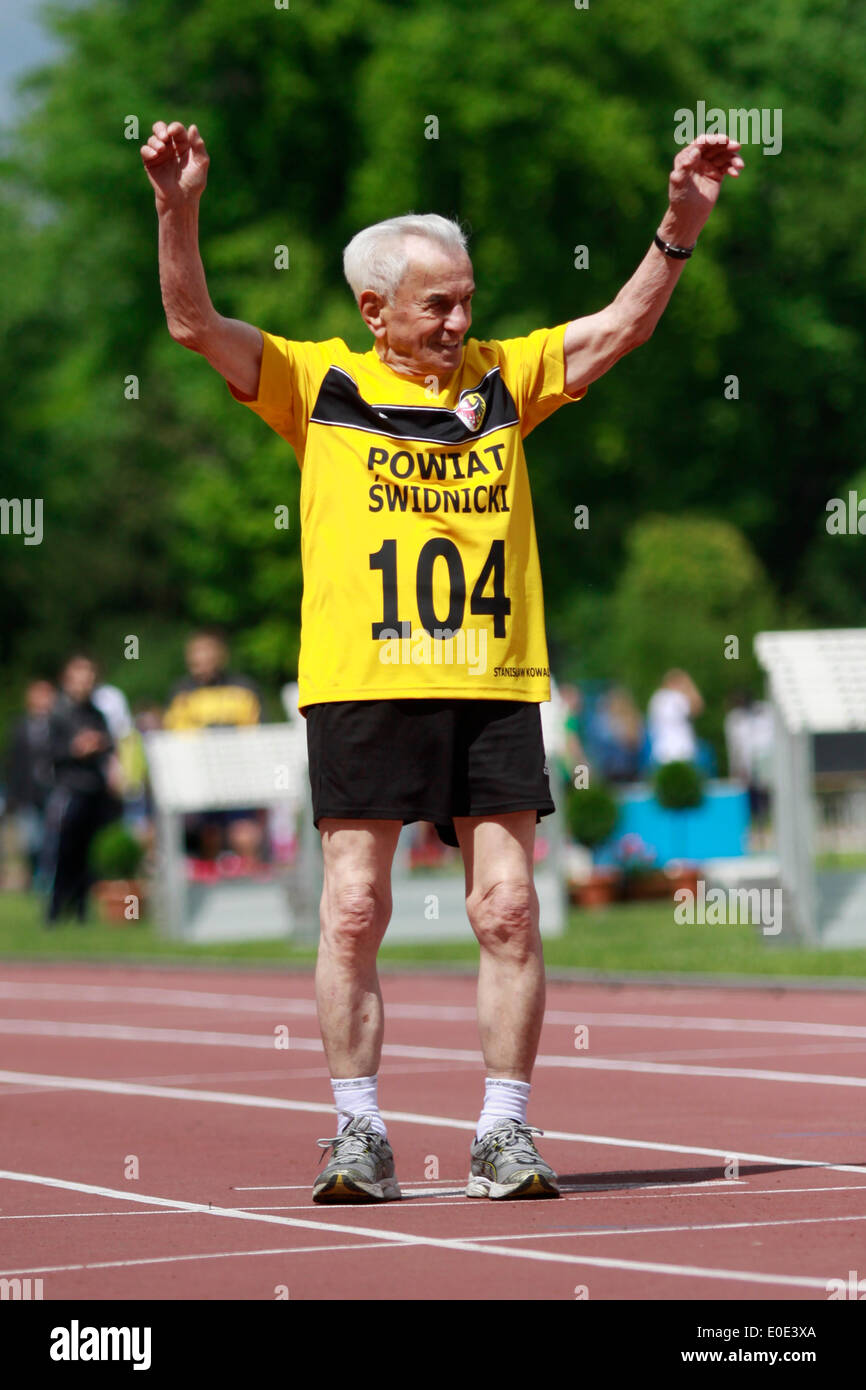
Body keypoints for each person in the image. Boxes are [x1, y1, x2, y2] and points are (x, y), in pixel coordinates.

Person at [143, 118, 743, 1202]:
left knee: (507, 907)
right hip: (362, 683)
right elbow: (192, 321)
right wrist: (177, 207)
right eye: (439, 303)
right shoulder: (314, 383)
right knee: (354, 907)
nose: (462, 318)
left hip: (491, 681)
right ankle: (357, 1133)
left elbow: (619, 328)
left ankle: (503, 1132)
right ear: (372, 309)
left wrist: (678, 223)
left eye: (466, 298)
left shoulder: (503, 380)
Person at [42, 656, 119, 924]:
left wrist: (100, 744)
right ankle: (54, 908)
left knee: (87, 854)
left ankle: (80, 909)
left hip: (94, 790)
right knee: (63, 851)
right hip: (68, 790)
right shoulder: (58, 713)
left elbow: (110, 744)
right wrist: (75, 749)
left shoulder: (96, 714)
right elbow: (49, 753)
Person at [4, 679, 56, 885]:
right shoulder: (20, 727)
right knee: (33, 840)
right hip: (28, 794)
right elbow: (14, 764)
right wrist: (12, 796)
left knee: (52, 838)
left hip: (54, 790)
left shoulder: (59, 725)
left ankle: (47, 880)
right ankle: (38, 875)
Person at [647, 669, 704, 768]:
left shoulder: (657, 698)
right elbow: (697, 707)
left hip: (661, 752)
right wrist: (690, 686)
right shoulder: (674, 697)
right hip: (681, 752)